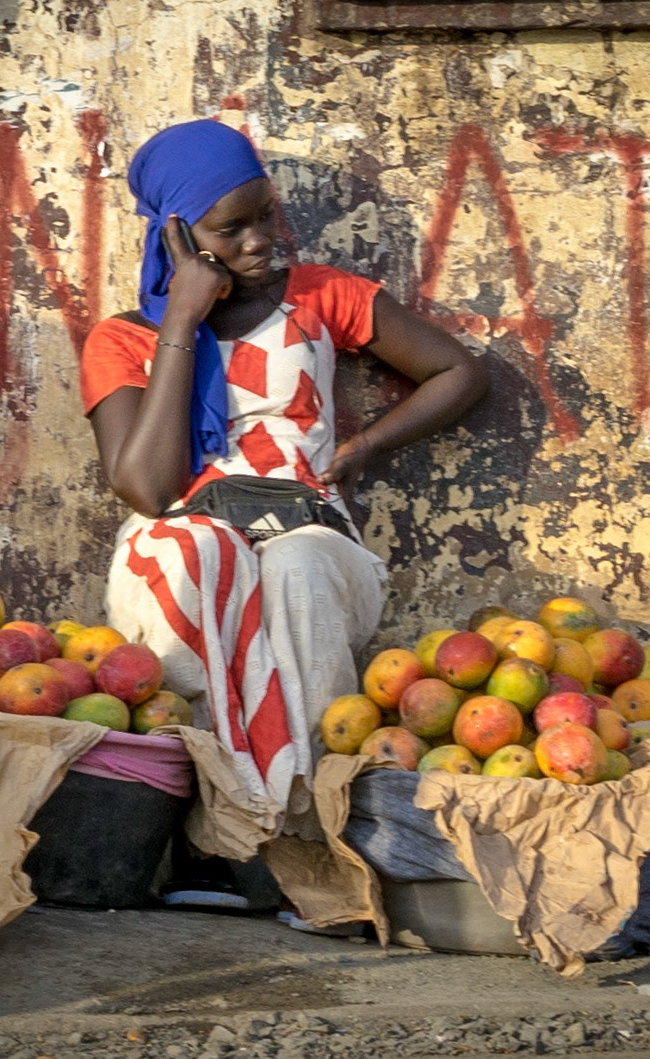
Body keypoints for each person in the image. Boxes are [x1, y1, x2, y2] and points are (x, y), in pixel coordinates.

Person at [80, 119, 487, 832]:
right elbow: (146, 489)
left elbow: (458, 372)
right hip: (187, 537)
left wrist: (367, 446)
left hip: (309, 532)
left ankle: (301, 824)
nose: (259, 240)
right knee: (199, 551)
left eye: (265, 216)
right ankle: (211, 814)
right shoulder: (123, 338)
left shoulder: (321, 296)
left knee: (297, 564)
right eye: (230, 229)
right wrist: (182, 319)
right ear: (175, 234)